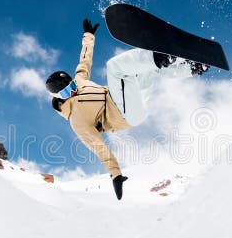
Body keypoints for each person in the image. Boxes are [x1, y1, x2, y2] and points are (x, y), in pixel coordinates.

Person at [46, 18, 208, 200]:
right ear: (60, 97)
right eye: (68, 91)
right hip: (123, 113)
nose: (73, 91)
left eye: (72, 85)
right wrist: (115, 174)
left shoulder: (80, 80)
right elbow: (98, 147)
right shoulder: (76, 120)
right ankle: (158, 56)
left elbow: (85, 59)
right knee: (114, 67)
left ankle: (192, 67)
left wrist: (89, 35)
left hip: (136, 103)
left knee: (150, 70)